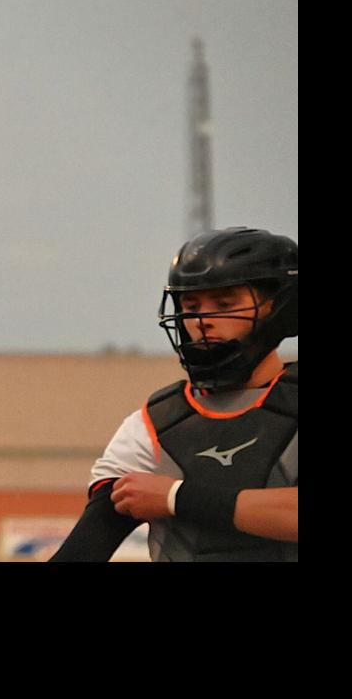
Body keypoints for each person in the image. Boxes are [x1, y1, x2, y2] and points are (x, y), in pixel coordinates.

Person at [51, 226, 298, 562]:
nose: (201, 320)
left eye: (224, 303)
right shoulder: (154, 424)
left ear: (277, 308)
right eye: (190, 304)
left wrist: (174, 498)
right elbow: (84, 550)